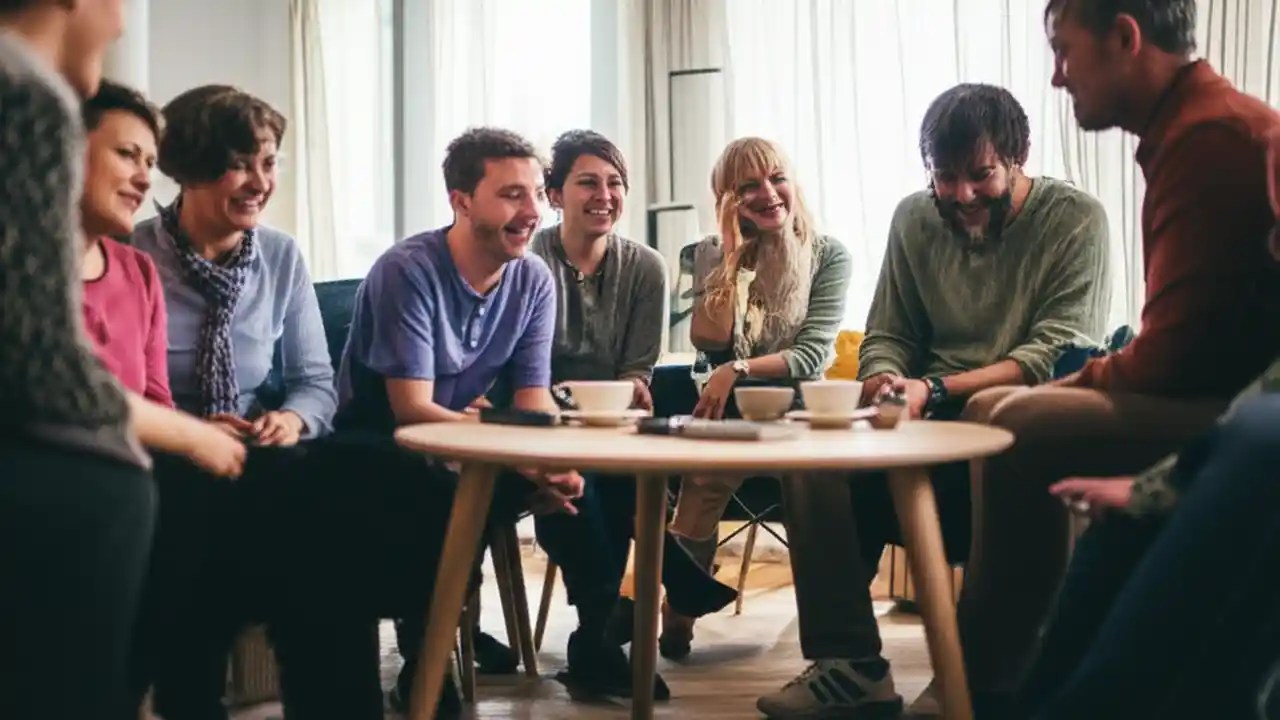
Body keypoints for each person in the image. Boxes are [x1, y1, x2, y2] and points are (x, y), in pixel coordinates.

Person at [914, 0, 1280, 714]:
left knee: (1017, 424)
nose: (1057, 76)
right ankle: (1000, 667)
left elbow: (1172, 359)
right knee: (995, 408)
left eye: (1064, 50)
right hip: (1220, 391)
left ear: (1125, 38)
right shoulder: (1189, 129)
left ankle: (987, 680)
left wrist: (1065, 382)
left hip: (1240, 408)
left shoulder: (1209, 137)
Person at [757, 83, 1112, 719]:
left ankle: (972, 676)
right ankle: (849, 665)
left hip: (1014, 420)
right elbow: (889, 333)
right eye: (945, 178)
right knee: (811, 454)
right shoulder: (913, 219)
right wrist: (887, 379)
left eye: (981, 175)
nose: (962, 195)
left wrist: (939, 388)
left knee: (991, 409)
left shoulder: (1077, 220)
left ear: (1018, 159)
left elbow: (1057, 351)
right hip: (922, 417)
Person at [280, 127, 599, 719]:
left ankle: (600, 642)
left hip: (464, 439)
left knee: (583, 484)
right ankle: (427, 661)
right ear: (461, 201)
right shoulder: (409, 269)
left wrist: (549, 461)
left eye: (536, 194)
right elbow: (410, 408)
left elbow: (532, 397)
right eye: (511, 195)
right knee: (442, 492)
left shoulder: (532, 279)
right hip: (377, 441)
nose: (532, 211)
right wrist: (513, 455)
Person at [1012, 127, 1280, 720]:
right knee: (1122, 526)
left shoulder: (1212, 136)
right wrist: (1154, 486)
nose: (1273, 245)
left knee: (1261, 436)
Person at [129, 85, 337, 719]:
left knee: (320, 514)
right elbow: (116, 391)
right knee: (195, 506)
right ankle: (191, 698)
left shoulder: (280, 256)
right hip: (161, 449)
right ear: (191, 169)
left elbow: (316, 381)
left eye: (269, 163)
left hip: (255, 449)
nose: (260, 183)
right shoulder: (133, 255)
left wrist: (290, 418)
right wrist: (192, 432)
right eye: (240, 165)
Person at [528, 129, 736, 696]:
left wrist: (631, 388)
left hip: (611, 423)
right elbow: (522, 369)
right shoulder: (529, 262)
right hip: (540, 421)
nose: (605, 195)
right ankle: (617, 613)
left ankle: (597, 633)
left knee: (618, 468)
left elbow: (637, 368)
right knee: (591, 475)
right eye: (587, 183)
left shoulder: (645, 267)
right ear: (554, 194)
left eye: (615, 183)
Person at [0, 1, 155, 718]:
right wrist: (179, 434)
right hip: (59, 483)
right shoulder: (26, 90)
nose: (122, 21)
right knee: (111, 483)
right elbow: (34, 353)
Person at [664, 136, 852, 658]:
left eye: (777, 178)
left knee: (815, 490)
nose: (768, 193)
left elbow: (811, 355)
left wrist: (738, 368)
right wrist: (729, 253)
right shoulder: (704, 253)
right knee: (703, 478)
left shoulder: (828, 255)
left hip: (797, 411)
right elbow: (709, 340)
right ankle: (679, 610)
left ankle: (833, 640)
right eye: (748, 186)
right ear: (727, 200)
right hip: (729, 410)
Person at [79, 79, 246, 479]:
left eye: (150, 163)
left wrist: (197, 433)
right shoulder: (20, 268)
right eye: (127, 155)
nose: (144, 179)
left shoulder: (138, 271)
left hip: (136, 483)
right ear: (67, 151)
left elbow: (157, 403)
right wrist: (188, 436)